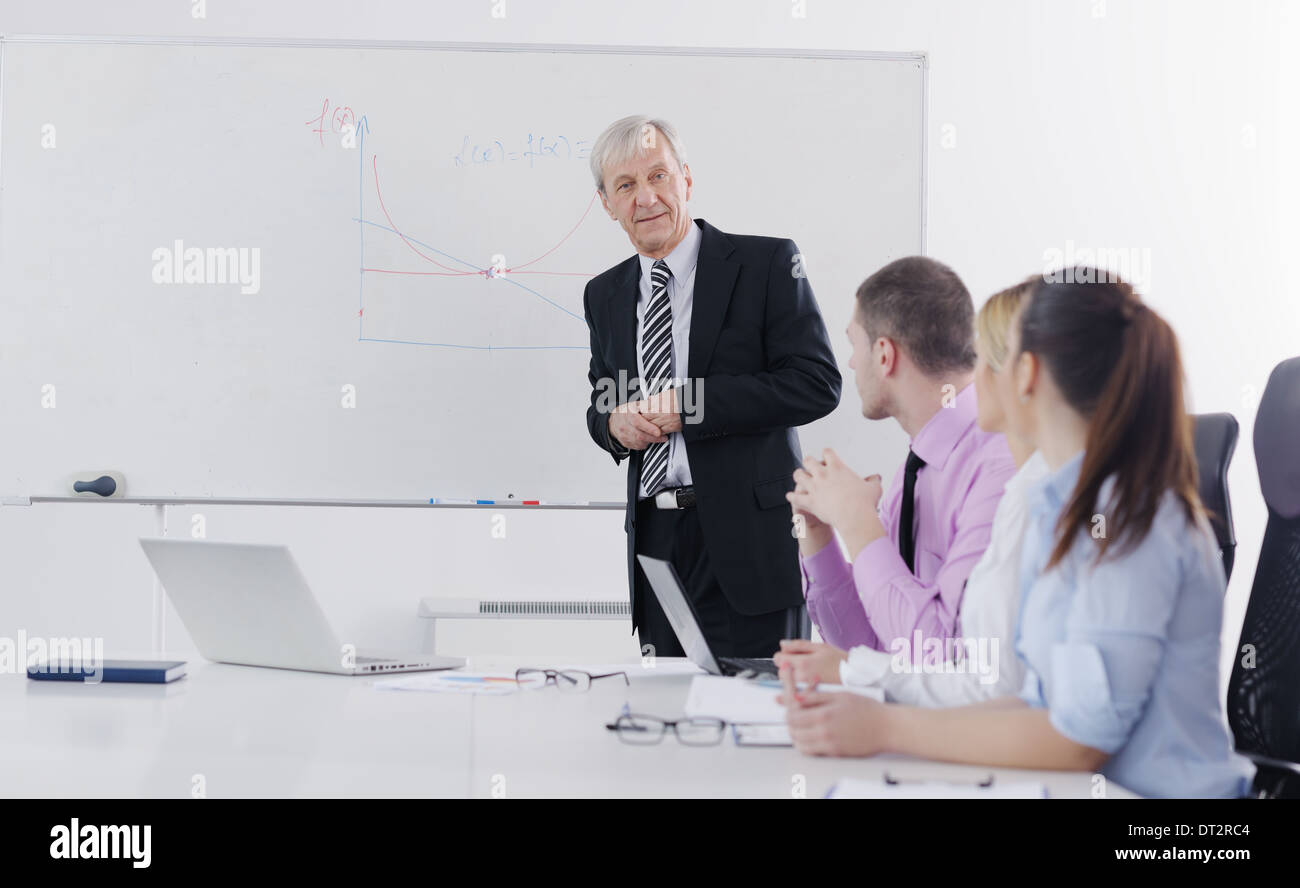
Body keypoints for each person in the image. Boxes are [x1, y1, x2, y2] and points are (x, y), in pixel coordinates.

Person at [781, 270, 1256, 799]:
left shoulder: (1124, 520)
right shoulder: (1055, 503)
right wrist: (861, 683)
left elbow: (1079, 740)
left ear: (1025, 373)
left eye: (985, 359)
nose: (971, 376)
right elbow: (1014, 691)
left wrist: (884, 726)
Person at [582, 115, 841, 659]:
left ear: (687, 180)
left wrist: (690, 407)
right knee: (666, 722)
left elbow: (816, 383)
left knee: (766, 719)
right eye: (626, 186)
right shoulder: (603, 295)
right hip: (656, 541)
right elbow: (601, 398)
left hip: (750, 542)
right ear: (607, 203)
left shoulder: (765, 262)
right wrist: (613, 423)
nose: (646, 197)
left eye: (659, 176)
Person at [778, 277, 1047, 705]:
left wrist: (856, 521)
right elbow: (870, 651)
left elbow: (939, 661)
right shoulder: (918, 464)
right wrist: (820, 537)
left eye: (854, 345)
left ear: (884, 355)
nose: (849, 363)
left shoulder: (1001, 470)